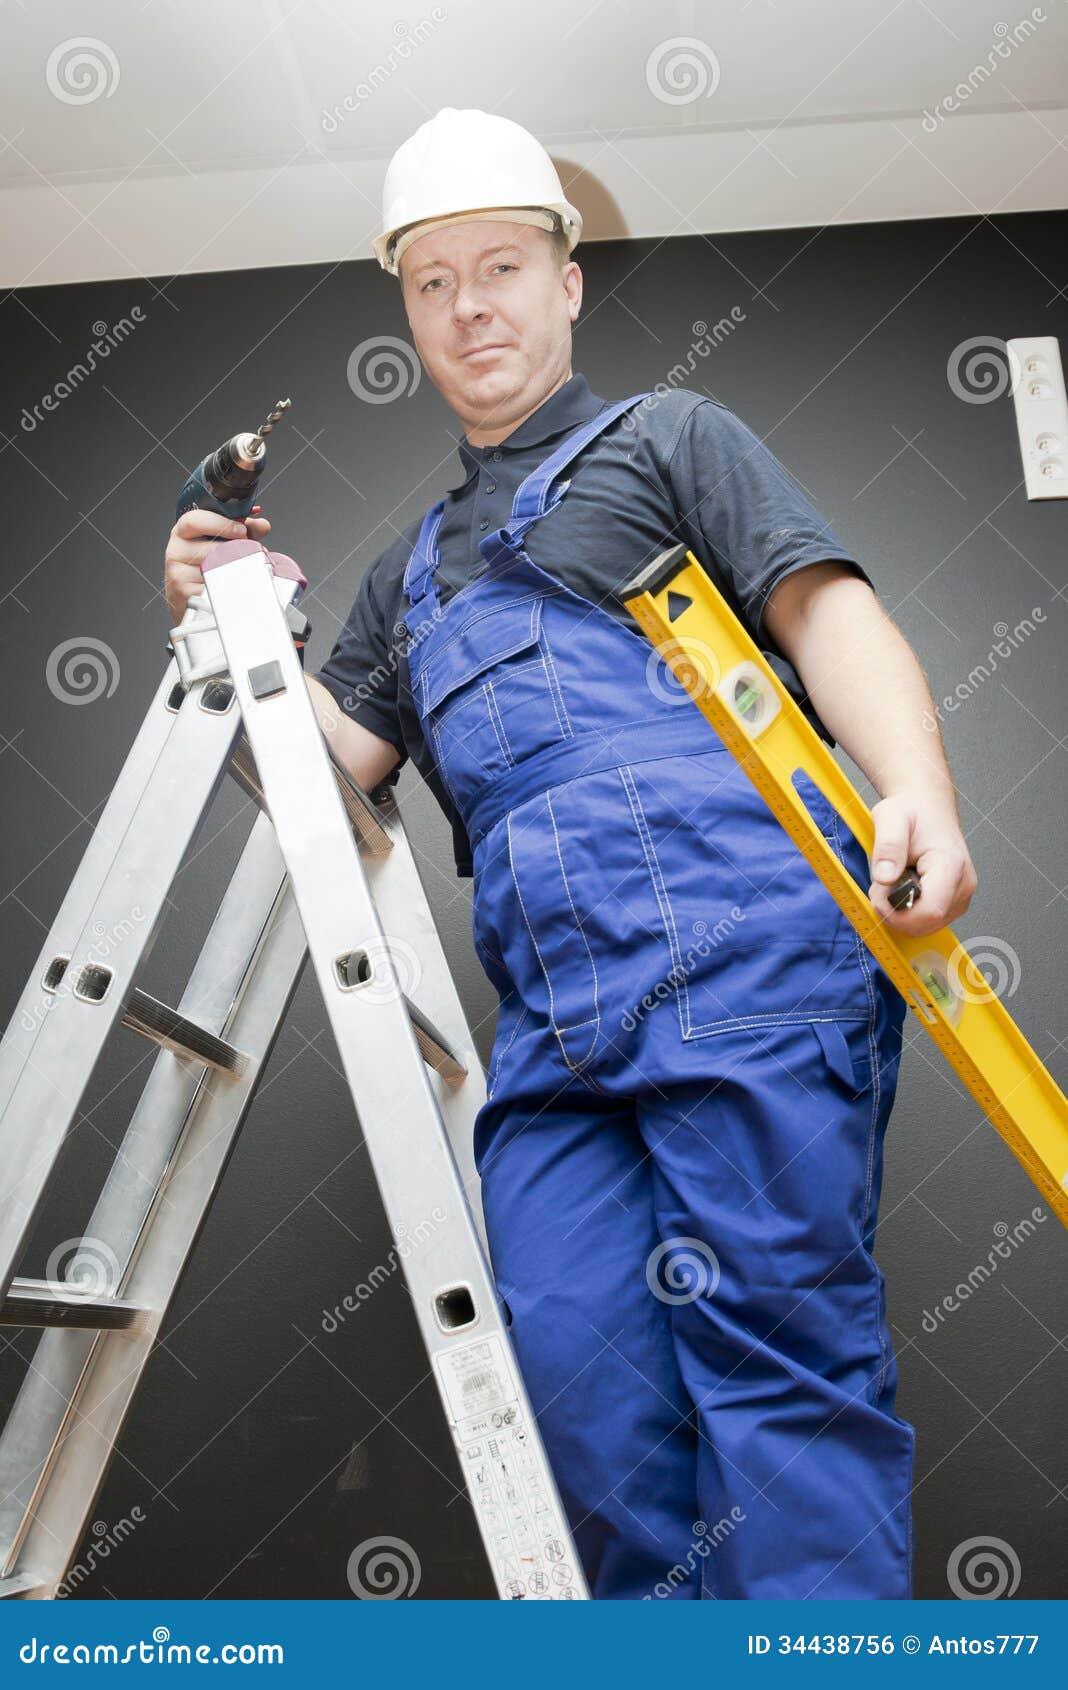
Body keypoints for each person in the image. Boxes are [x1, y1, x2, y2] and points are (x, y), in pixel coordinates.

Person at [163, 107, 977, 1601]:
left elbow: (823, 610)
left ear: (566, 279)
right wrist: (216, 642)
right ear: (405, 304)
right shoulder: (402, 577)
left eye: (501, 266)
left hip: (747, 967)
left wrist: (913, 778)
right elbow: (315, 789)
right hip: (554, 1041)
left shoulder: (669, 441)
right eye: (432, 281)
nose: (469, 306)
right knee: (588, 1412)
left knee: (781, 1378)